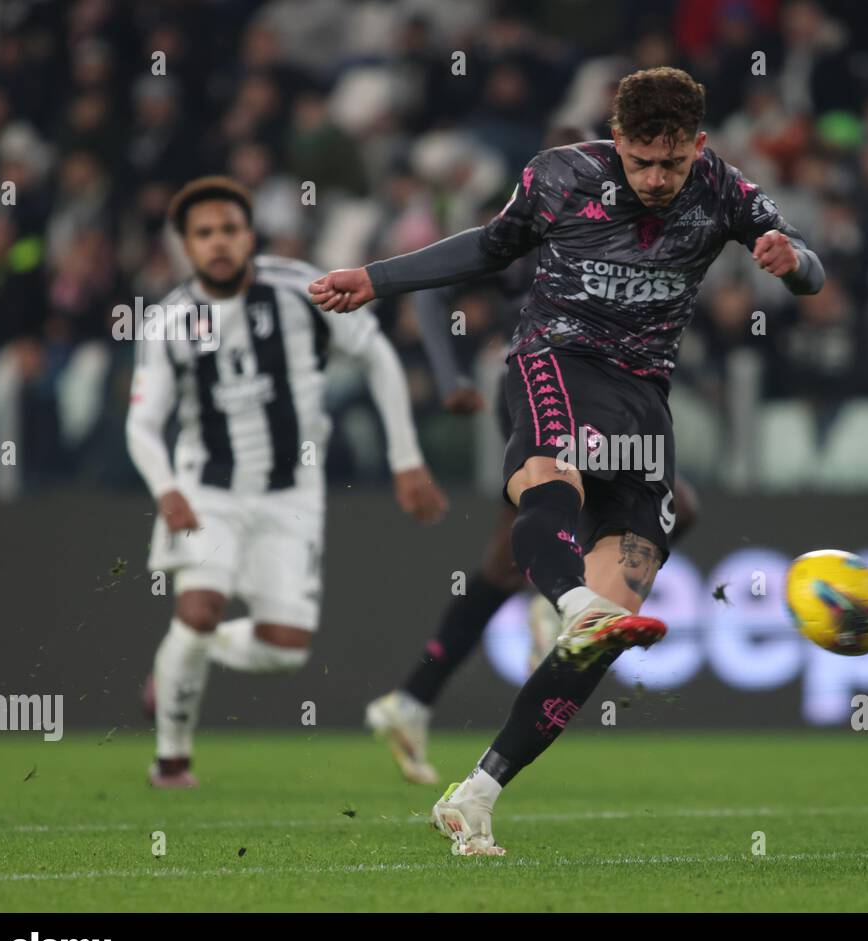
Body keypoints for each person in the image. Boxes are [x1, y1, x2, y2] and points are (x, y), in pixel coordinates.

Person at [311, 68, 824, 854]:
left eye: (673, 163)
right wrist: (374, 279)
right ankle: (566, 600)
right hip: (553, 357)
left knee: (607, 632)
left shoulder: (726, 191)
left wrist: (794, 267)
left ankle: (475, 795)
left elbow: (813, 274)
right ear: (616, 141)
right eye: (643, 160)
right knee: (551, 481)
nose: (658, 178)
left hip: (644, 400)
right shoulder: (558, 175)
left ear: (700, 147)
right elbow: (486, 247)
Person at [364, 128, 701, 786]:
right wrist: (450, 376)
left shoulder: (629, 229)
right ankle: (553, 608)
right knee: (643, 501)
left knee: (502, 560)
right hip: (541, 383)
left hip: (595, 390)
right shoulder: (546, 214)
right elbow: (438, 288)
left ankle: (411, 698)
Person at [127, 176, 446, 788]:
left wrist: (406, 458)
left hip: (293, 492)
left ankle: (176, 665)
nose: (218, 242)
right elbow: (142, 421)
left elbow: (377, 355)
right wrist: (166, 487)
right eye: (204, 233)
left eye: (229, 229)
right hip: (206, 489)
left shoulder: (300, 289)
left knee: (284, 650)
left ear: (250, 234)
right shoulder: (169, 320)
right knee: (199, 606)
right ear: (185, 246)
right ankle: (171, 761)